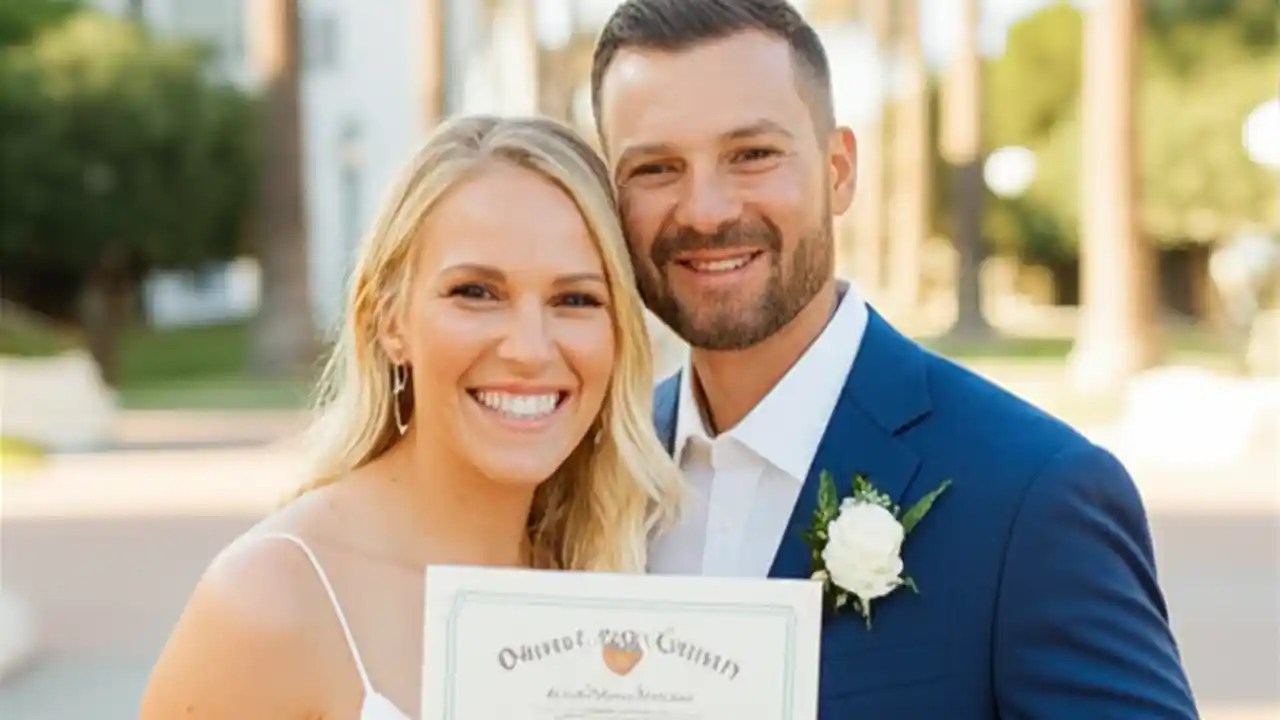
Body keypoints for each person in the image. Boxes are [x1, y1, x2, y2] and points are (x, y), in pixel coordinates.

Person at [590, 0, 1199, 717]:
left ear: (839, 169)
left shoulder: (1032, 497)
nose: (706, 210)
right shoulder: (596, 474)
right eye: (656, 168)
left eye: (751, 155)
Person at [139, 115, 684, 719]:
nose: (530, 349)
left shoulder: (616, 584)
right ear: (388, 319)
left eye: (575, 300)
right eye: (476, 292)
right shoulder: (273, 598)